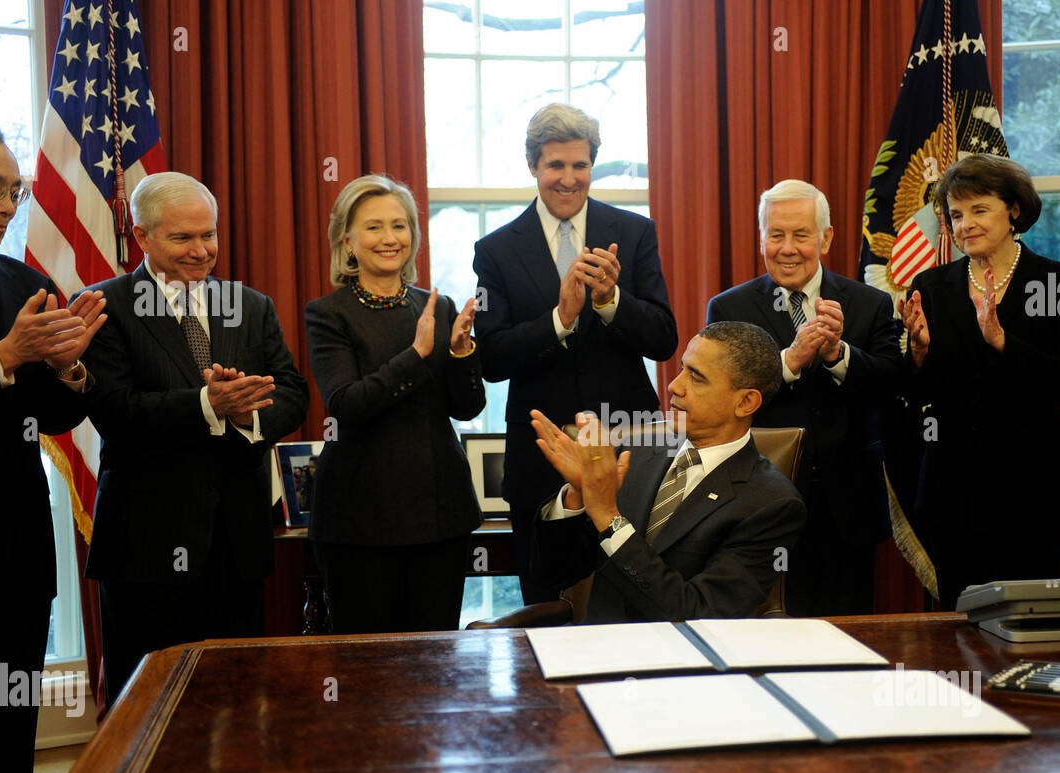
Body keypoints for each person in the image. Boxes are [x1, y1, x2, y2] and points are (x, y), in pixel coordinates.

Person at [81, 171, 308, 704]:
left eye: (209, 235)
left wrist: (244, 413)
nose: (202, 250)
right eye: (183, 238)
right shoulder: (103, 305)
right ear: (141, 237)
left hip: (237, 542)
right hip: (147, 548)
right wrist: (208, 404)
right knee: (148, 706)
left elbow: (292, 392)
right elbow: (114, 412)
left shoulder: (250, 304)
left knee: (234, 700)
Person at [474, 103, 677, 604]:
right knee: (548, 608)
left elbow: (664, 338)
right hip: (540, 459)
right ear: (533, 167)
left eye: (580, 165)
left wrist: (611, 302)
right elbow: (492, 361)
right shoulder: (495, 250)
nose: (569, 179)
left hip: (630, 445)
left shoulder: (633, 233)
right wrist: (558, 321)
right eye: (555, 166)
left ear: (593, 165)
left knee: (637, 598)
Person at [0, 123, 107, 773]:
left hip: (19, 557)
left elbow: (51, 417)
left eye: (11, 189)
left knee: (8, 717)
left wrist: (68, 369)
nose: (4, 205)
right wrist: (3, 356)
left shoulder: (22, 282)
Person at [707, 179, 901, 615]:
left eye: (800, 235)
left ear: (825, 238)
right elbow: (719, 403)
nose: (787, 248)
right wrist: (790, 360)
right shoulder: (728, 309)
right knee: (764, 642)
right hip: (756, 506)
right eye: (776, 235)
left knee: (848, 642)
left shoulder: (870, 304)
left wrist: (837, 354)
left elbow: (891, 385)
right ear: (762, 239)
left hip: (846, 509)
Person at [901, 155, 1060, 608]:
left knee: (1025, 628)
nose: (965, 225)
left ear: (1014, 210)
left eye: (979, 210)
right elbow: (915, 394)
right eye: (957, 215)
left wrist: (1003, 342)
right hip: (951, 490)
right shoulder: (930, 285)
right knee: (955, 630)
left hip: (1033, 492)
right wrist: (919, 355)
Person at [530, 322, 806, 622]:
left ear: (745, 402)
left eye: (696, 378)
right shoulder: (633, 452)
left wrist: (609, 519)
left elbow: (698, 613)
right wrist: (577, 496)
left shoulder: (772, 503)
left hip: (685, 662)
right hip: (597, 648)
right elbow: (553, 575)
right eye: (682, 369)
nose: (674, 385)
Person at [305, 174, 483, 634]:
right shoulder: (327, 314)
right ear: (347, 241)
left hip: (440, 514)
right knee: (367, 667)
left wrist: (462, 351)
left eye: (400, 226)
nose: (390, 238)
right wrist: (417, 354)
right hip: (358, 519)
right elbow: (347, 404)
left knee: (435, 661)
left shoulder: (436, 307)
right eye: (374, 227)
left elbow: (465, 409)